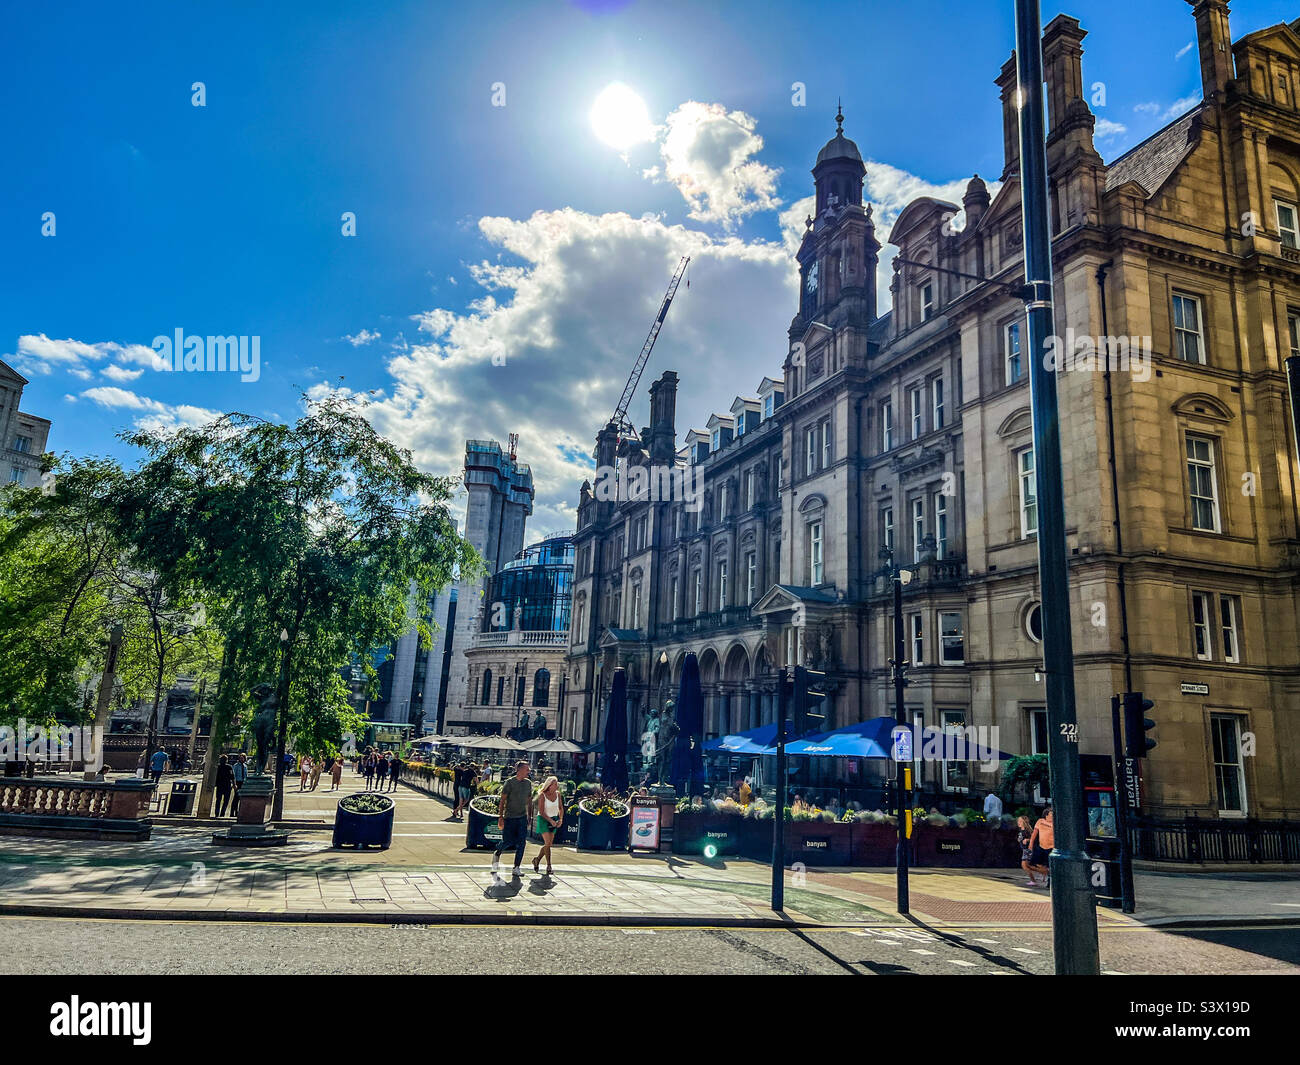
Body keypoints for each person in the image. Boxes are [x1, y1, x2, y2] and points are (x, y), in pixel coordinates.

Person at [492, 761, 534, 881]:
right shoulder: (509, 783)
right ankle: (497, 852)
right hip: (510, 817)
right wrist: (501, 817)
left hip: (522, 817)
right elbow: (502, 800)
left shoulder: (528, 783)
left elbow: (529, 800)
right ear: (519, 770)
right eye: (527, 769)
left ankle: (516, 867)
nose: (529, 772)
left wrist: (530, 816)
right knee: (508, 841)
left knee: (521, 843)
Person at [532, 775, 563, 876]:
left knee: (548, 844)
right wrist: (550, 820)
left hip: (554, 818)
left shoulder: (558, 795)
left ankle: (537, 860)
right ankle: (549, 865)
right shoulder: (542, 795)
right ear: (549, 785)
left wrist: (560, 819)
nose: (556, 786)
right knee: (548, 843)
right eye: (554, 784)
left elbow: (561, 808)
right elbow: (541, 811)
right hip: (544, 819)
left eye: (557, 784)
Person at [1028, 806, 1054, 887]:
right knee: (1033, 864)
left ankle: (1050, 880)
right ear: (1046, 815)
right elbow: (1034, 833)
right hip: (1041, 846)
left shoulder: (1055, 824)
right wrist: (1031, 843)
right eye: (1051, 814)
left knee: (1050, 865)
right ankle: (1046, 873)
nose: (1052, 816)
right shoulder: (1040, 821)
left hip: (1051, 847)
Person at [1016, 814, 1039, 886]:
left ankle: (1036, 878)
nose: (1018, 822)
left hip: (1028, 850)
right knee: (1027, 866)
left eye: (1020, 821)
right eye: (1018, 821)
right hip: (1024, 850)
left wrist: (1027, 840)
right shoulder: (1021, 831)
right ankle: (1042, 872)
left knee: (1025, 866)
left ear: (1024, 822)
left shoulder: (1027, 830)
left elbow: (1034, 839)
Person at [231, 753, 248, 817]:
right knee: (236, 798)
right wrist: (234, 784)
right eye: (240, 758)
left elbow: (246, 775)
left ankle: (239, 812)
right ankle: (233, 812)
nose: (241, 759)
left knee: (242, 798)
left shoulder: (245, 766)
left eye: (242, 758)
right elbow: (233, 775)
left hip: (243, 782)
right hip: (238, 782)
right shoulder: (236, 765)